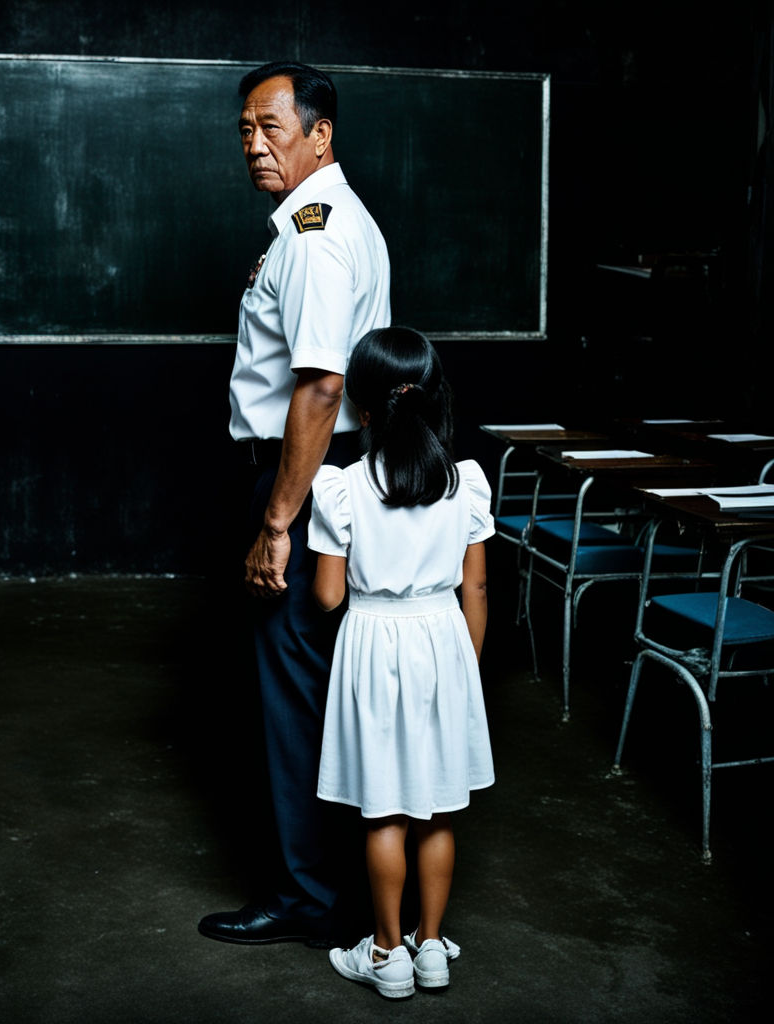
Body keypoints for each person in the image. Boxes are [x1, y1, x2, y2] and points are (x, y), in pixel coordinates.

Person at [198, 61, 391, 946]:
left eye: (271, 127)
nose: (253, 145)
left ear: (320, 134)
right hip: (323, 473)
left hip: (303, 479)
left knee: (293, 691)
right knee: (318, 685)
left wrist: (278, 522)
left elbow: (319, 387)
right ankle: (338, 882)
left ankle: (310, 897)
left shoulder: (313, 232)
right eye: (244, 129)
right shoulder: (330, 219)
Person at [307, 326, 494, 998]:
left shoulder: (342, 488)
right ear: (434, 397)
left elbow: (329, 597)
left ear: (360, 407)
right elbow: (475, 588)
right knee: (437, 812)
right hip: (444, 643)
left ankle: (388, 957)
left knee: (383, 811)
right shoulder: (465, 482)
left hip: (374, 646)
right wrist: (463, 672)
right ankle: (432, 945)